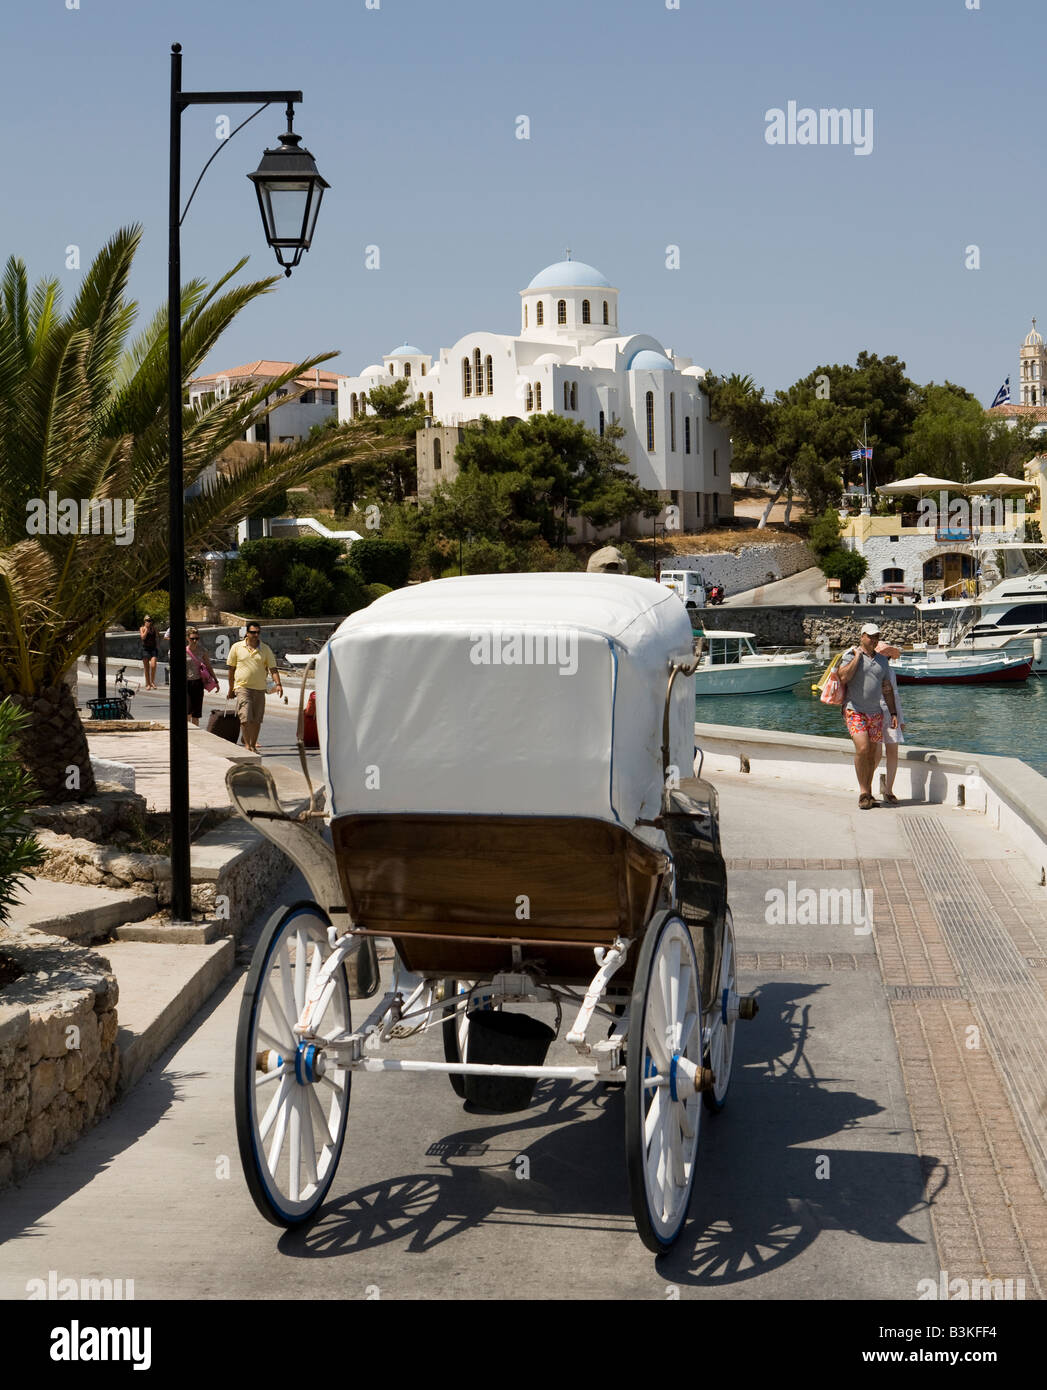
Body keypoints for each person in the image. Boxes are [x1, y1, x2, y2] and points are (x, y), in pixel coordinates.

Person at [837, 622, 899, 810]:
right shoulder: (850, 655)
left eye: (876, 636)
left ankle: (869, 793)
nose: (874, 640)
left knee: (872, 754)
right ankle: (863, 792)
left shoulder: (882, 660)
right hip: (854, 709)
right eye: (870, 636)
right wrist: (857, 657)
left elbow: (886, 688)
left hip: (876, 713)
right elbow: (843, 677)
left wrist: (893, 712)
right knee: (863, 748)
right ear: (862, 636)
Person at [226, 622, 282, 753]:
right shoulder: (236, 647)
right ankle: (247, 746)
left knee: (257, 718)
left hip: (259, 688)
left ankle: (251, 743)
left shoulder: (265, 649)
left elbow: (273, 668)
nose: (256, 635)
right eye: (253, 632)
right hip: (242, 687)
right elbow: (231, 670)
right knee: (245, 716)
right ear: (247, 633)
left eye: (258, 632)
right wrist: (231, 688)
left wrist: (278, 684)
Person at [875, 639, 905, 803]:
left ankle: (889, 790)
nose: (886, 659)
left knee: (893, 752)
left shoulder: (891, 672)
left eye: (887, 656)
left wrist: (900, 718)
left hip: (890, 716)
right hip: (875, 715)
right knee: (876, 754)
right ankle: (866, 787)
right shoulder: (871, 671)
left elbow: (895, 696)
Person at [185, 628, 218, 728]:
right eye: (192, 638)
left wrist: (215, 680)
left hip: (198, 683)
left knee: (196, 712)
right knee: (188, 711)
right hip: (186, 683)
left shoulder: (202, 650)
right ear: (187, 638)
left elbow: (208, 666)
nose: (195, 641)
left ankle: (195, 734)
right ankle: (187, 733)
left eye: (197, 638)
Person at [139, 615, 159, 690]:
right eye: (147, 621)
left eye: (150, 621)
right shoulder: (142, 628)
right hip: (145, 649)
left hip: (153, 649)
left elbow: (158, 636)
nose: (149, 622)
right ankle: (148, 684)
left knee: (153, 665)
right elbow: (143, 637)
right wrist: (147, 629)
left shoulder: (154, 628)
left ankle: (152, 682)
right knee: (146, 668)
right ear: (145, 621)